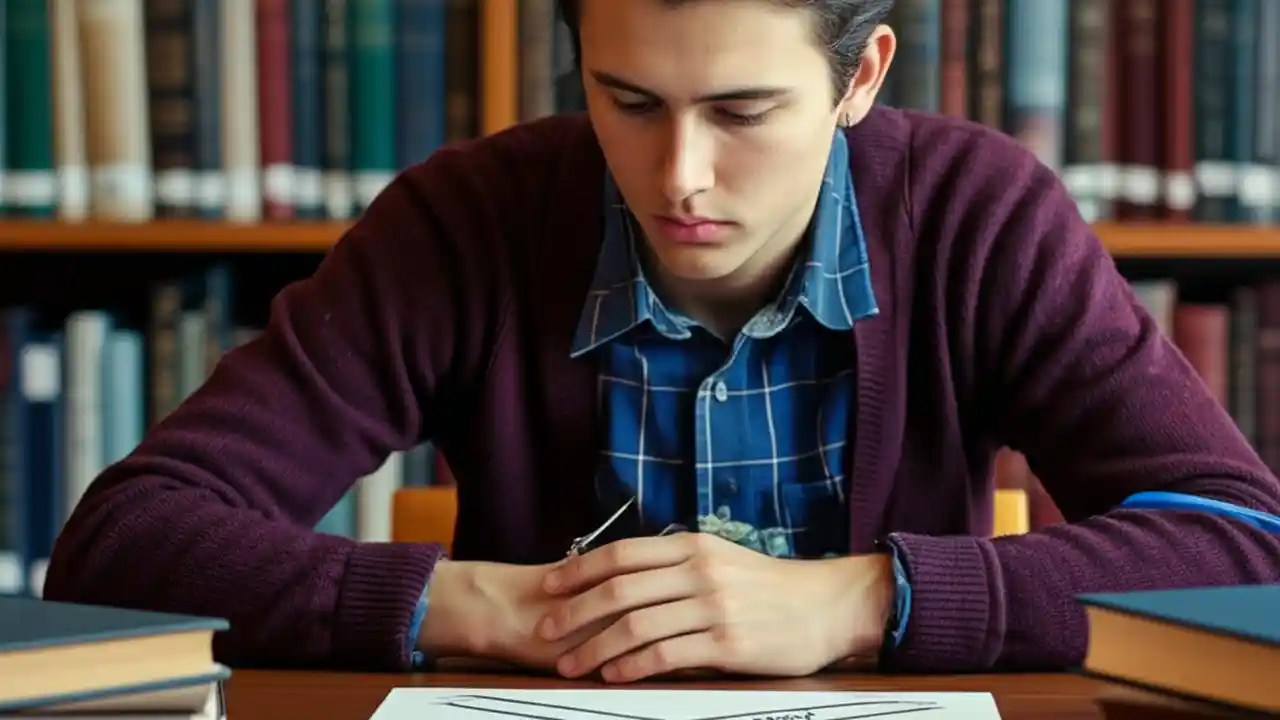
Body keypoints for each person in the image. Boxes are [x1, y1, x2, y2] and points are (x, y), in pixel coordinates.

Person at [44, 0, 1280, 682]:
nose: (678, 175)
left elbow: (1244, 548)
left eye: (742, 111)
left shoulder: (976, 216)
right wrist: (476, 605)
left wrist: (861, 600)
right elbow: (124, 543)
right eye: (627, 102)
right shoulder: (465, 221)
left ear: (860, 79)